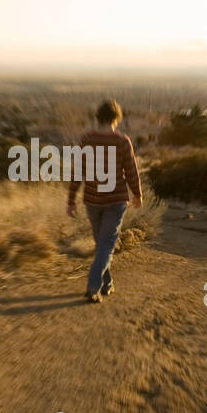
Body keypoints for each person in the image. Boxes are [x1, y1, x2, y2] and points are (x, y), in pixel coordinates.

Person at [66, 99, 142, 303]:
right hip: (116, 200)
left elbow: (78, 171)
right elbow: (132, 171)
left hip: (92, 200)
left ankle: (106, 284)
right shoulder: (123, 141)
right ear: (117, 118)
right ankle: (93, 285)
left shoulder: (86, 139)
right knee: (105, 244)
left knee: (102, 244)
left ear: (97, 117)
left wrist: (71, 199)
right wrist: (137, 194)